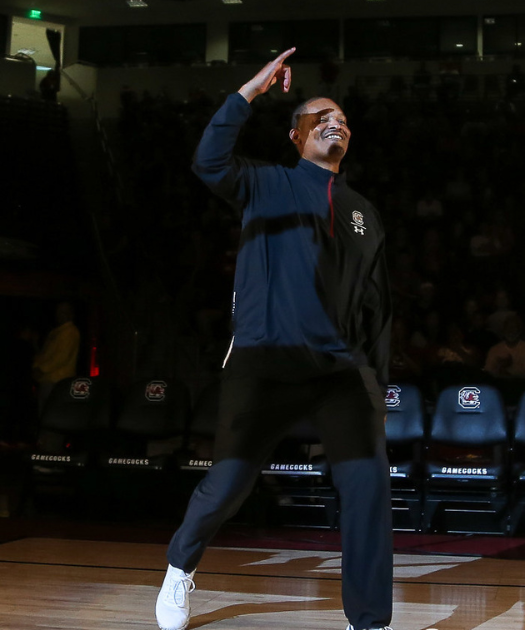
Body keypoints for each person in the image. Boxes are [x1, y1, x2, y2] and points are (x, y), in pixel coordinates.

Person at [155, 49, 395, 630]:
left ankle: (369, 620)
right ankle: (180, 567)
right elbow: (208, 161)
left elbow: (376, 306)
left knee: (367, 488)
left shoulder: (365, 214)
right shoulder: (265, 183)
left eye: (340, 117)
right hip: (265, 360)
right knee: (230, 481)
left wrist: (375, 380)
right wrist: (249, 93)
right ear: (295, 135)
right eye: (319, 116)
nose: (333, 122)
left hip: (338, 371)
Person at [31, 301, 80, 414]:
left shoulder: (70, 331)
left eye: (64, 312)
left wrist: (41, 369)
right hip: (46, 380)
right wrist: (36, 366)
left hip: (58, 381)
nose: (59, 314)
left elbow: (61, 357)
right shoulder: (55, 332)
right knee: (44, 413)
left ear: (71, 314)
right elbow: (45, 354)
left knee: (53, 414)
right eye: (58, 311)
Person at [484, 315, 525, 379]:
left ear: (519, 330)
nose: (511, 331)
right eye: (508, 328)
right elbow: (488, 372)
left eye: (514, 328)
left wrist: (505, 369)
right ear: (503, 330)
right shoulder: (494, 349)